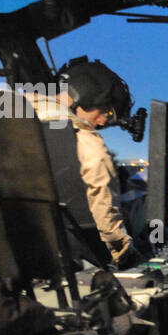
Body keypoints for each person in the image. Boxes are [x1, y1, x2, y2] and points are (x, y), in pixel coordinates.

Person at [56, 57, 143, 269]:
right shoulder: (88, 143)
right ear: (83, 94)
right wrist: (122, 251)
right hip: (80, 249)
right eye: (106, 111)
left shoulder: (16, 113)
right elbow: (104, 209)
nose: (104, 121)